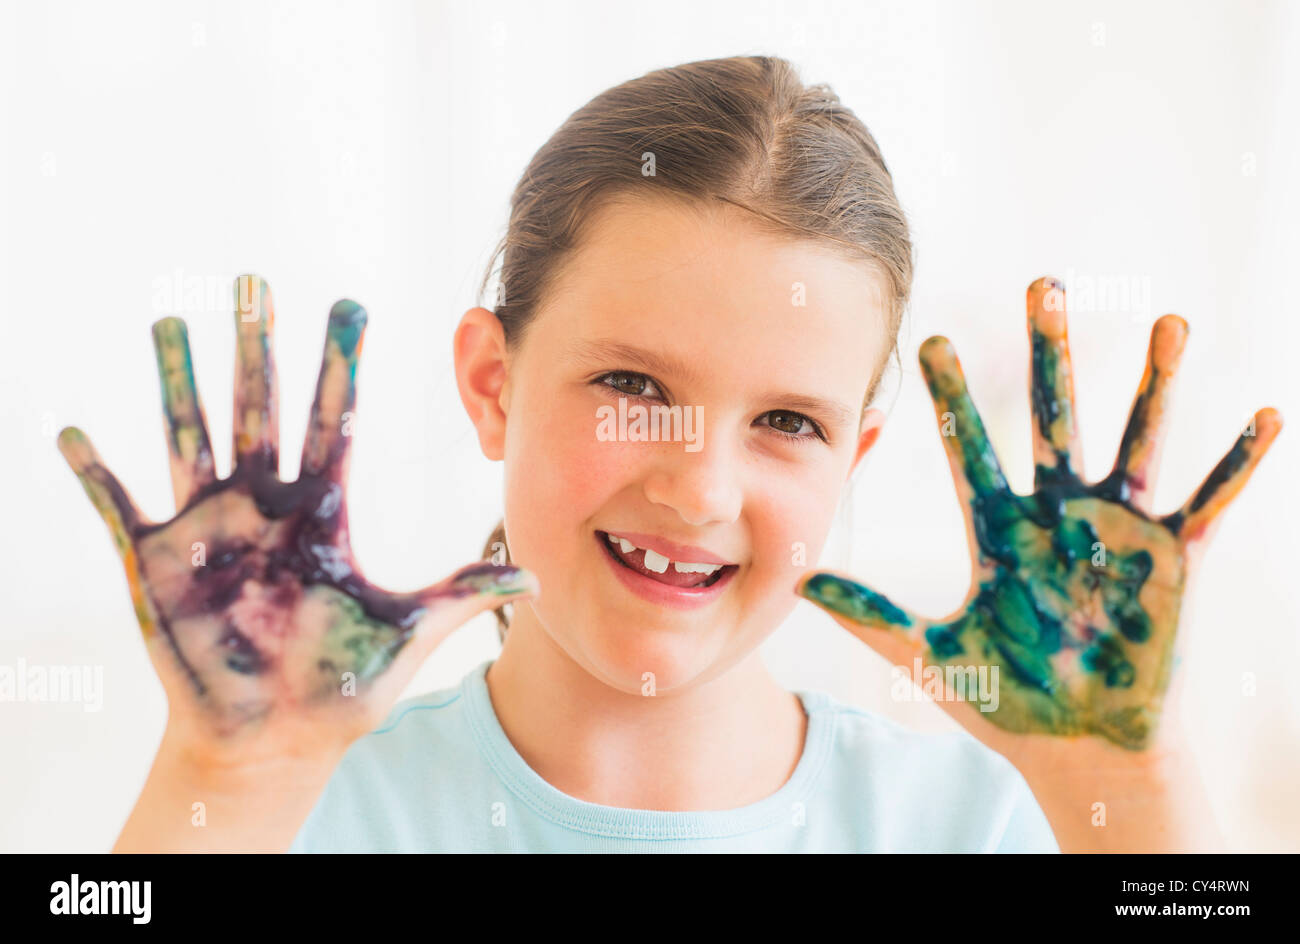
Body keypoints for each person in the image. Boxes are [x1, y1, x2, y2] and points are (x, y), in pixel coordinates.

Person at [58, 56, 1281, 853]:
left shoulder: (989, 822)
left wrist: (1136, 790)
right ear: (493, 382)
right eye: (632, 385)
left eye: (788, 422)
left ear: (856, 451)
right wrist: (223, 774)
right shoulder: (293, 802)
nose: (697, 485)